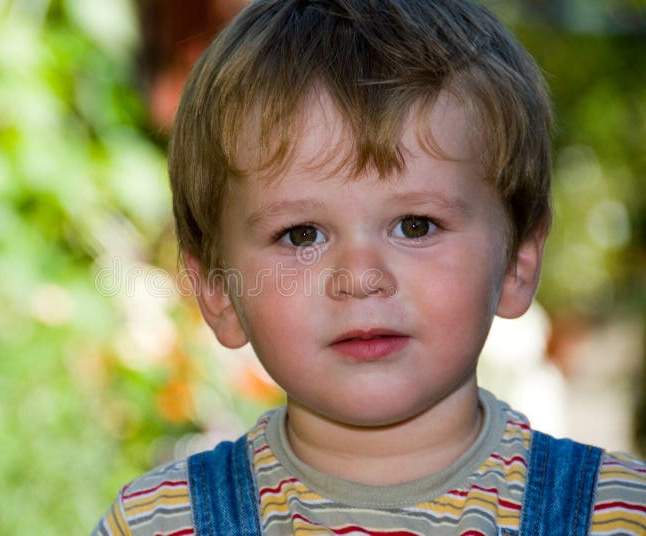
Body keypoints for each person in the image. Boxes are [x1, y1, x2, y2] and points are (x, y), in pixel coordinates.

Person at [93, 1, 646, 534]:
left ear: (519, 261)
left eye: (415, 225)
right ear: (216, 289)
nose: (360, 277)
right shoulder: (156, 523)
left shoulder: (617, 517)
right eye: (301, 234)